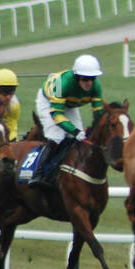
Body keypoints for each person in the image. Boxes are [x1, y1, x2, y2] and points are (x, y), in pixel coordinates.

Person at [29, 55, 104, 188]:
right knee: (57, 136)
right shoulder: (61, 83)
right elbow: (57, 114)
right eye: (85, 79)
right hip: (49, 102)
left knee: (78, 139)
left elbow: (98, 115)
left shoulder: (96, 87)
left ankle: (67, 169)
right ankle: (38, 174)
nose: (89, 83)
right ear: (76, 77)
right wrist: (74, 131)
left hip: (70, 105)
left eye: (92, 79)